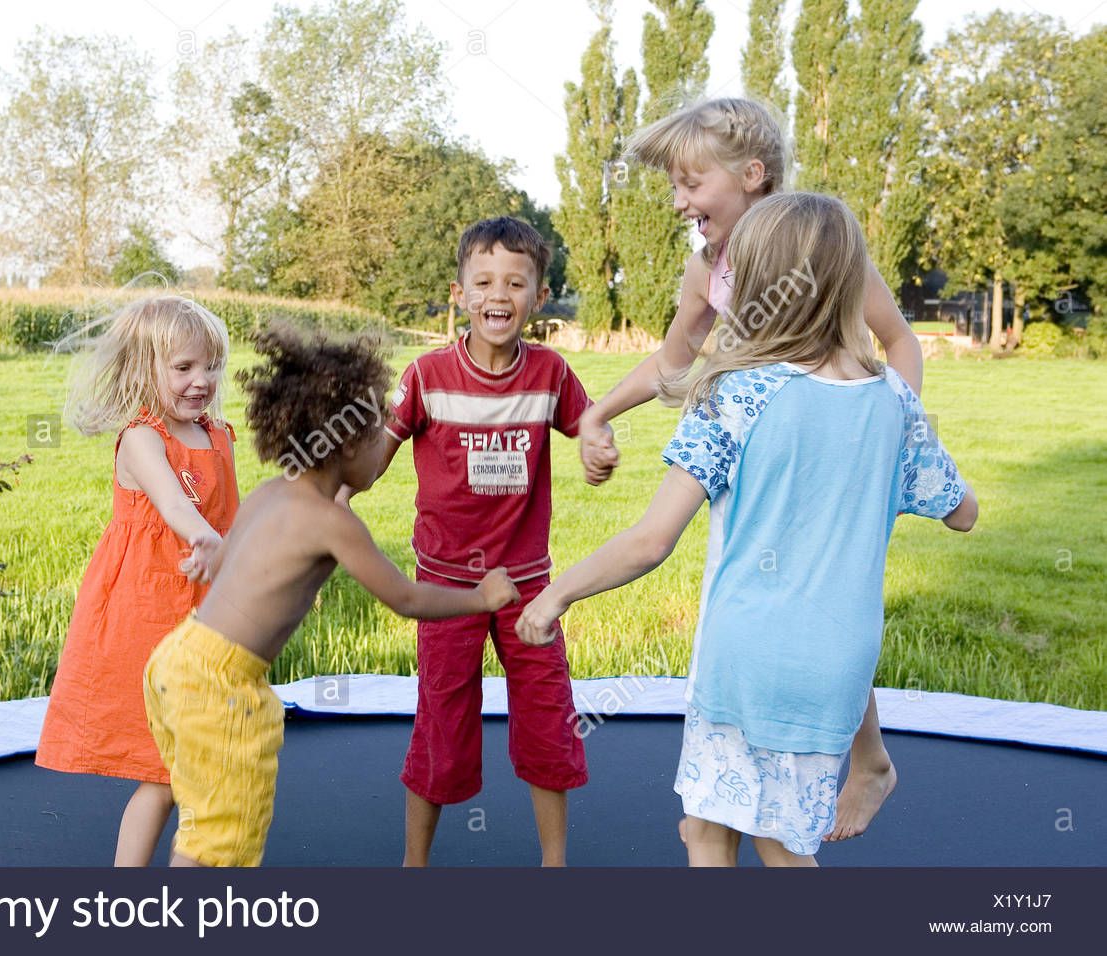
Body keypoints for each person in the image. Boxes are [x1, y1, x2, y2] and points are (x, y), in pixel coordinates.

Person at [518, 192, 977, 865]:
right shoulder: (893, 403)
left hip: (741, 662)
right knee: (784, 846)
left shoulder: (736, 393)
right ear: (853, 286)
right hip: (838, 669)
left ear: (758, 285)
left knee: (707, 832)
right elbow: (962, 513)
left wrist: (557, 594)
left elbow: (650, 541)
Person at [579, 97, 922, 841]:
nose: (679, 201)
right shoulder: (706, 270)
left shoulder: (831, 256)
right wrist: (598, 413)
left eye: (691, 184)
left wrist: (888, 432)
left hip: (833, 452)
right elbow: (674, 363)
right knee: (786, 598)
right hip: (758, 456)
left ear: (752, 175)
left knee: (824, 594)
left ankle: (866, 761)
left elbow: (899, 342)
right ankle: (740, 805)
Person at [142, 325, 520, 867]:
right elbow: (407, 599)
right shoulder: (331, 522)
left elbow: (225, 564)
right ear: (345, 444)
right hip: (219, 680)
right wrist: (481, 599)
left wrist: (213, 559)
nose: (384, 443)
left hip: (177, 657)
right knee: (219, 836)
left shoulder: (269, 494)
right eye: (377, 433)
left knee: (205, 819)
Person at [352, 216, 612, 867]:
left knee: (550, 719)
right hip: (445, 587)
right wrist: (332, 497)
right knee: (441, 724)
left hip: (528, 586)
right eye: (486, 281)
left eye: (516, 283)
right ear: (460, 293)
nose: (500, 294)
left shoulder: (550, 373)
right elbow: (373, 462)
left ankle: (554, 864)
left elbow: (589, 428)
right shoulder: (427, 376)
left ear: (539, 297)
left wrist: (597, 448)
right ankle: (416, 865)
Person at [35, 295, 238, 866]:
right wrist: (205, 540)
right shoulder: (141, 439)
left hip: (205, 612)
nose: (202, 380)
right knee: (173, 765)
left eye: (210, 366)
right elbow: (178, 508)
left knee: (185, 767)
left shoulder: (217, 434)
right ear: (142, 369)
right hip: (145, 610)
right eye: (184, 368)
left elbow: (231, 519)